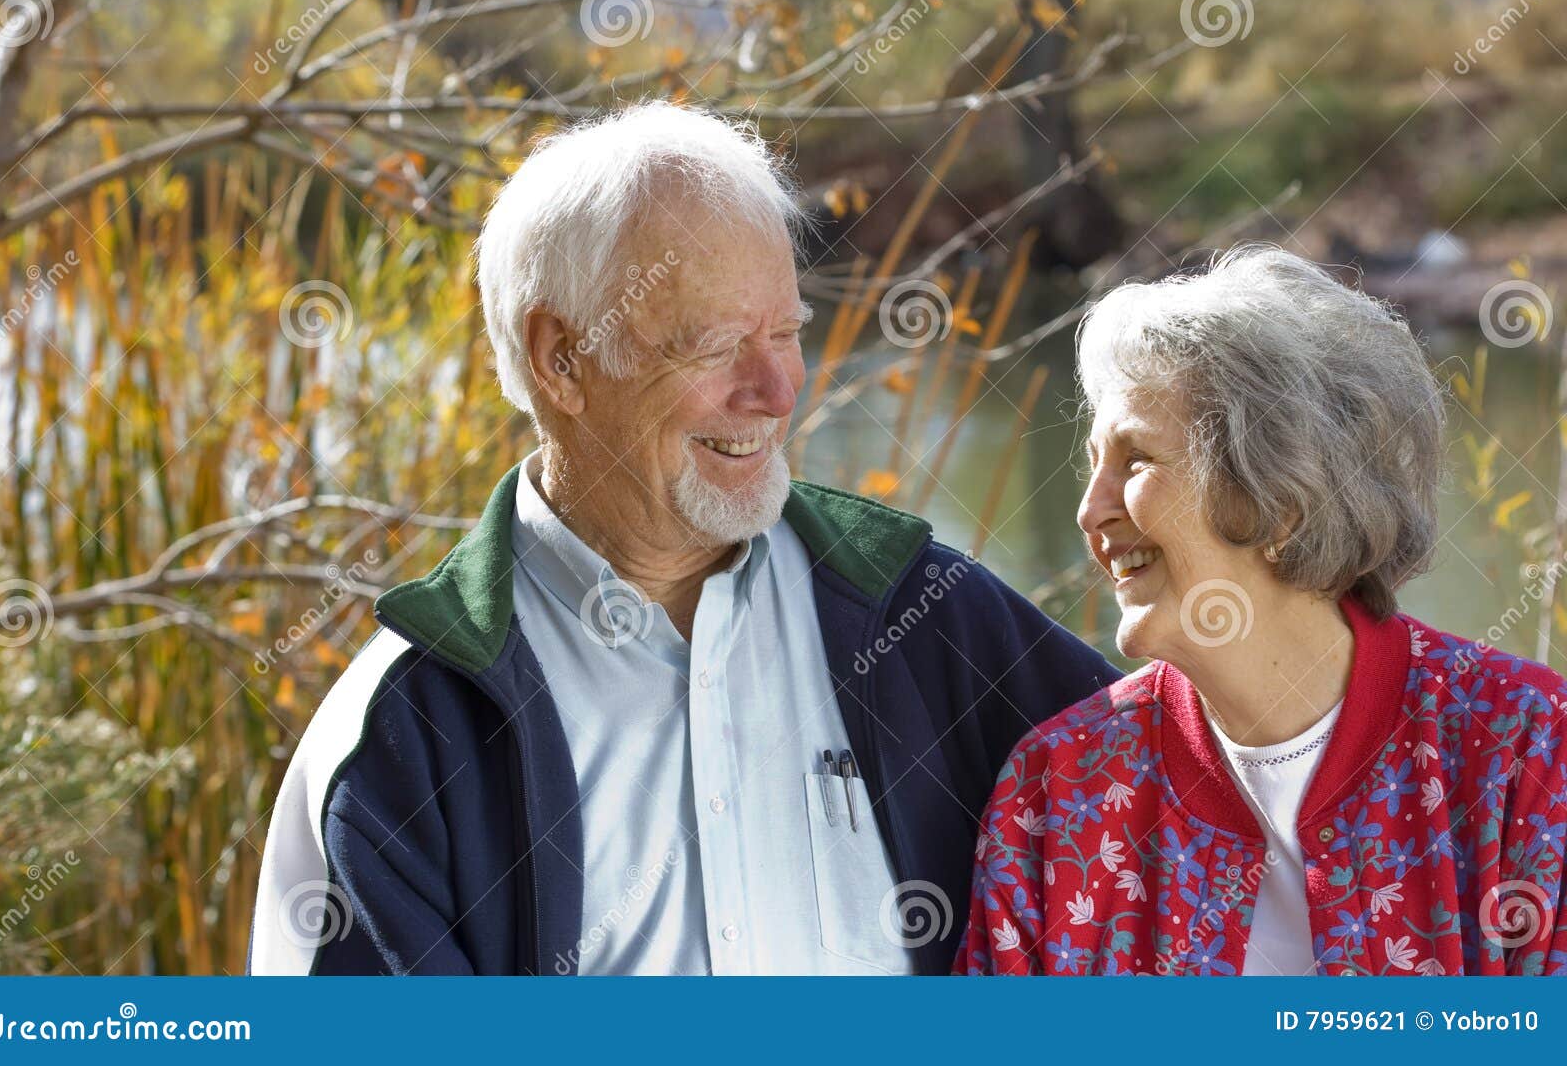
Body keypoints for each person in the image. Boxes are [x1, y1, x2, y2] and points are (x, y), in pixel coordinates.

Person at [248, 100, 1118, 975]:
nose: (778, 390)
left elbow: (1201, 791)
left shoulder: (932, 617)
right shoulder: (398, 746)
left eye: (786, 334)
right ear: (561, 359)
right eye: (714, 347)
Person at [957, 246, 1567, 976]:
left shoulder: (1525, 750)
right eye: (1092, 463)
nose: (1092, 510)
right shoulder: (1057, 795)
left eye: (1136, 460)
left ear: (1281, 499)